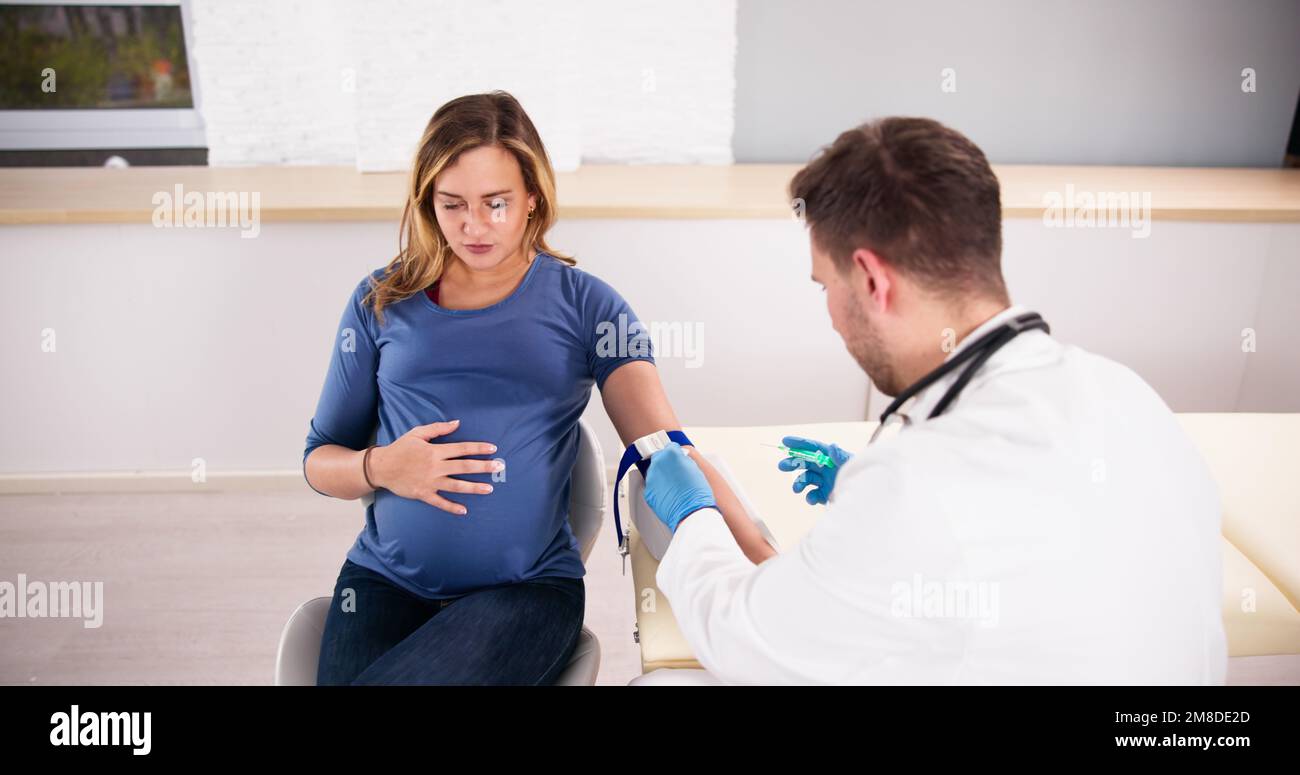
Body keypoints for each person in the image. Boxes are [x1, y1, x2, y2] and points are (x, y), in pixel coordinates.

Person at [638, 116, 1227, 685]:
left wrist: (694, 521)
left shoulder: (917, 487)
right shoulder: (1125, 391)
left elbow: (745, 641)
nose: (833, 316)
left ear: (872, 280)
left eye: (826, 286)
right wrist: (861, 495)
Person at [302, 91, 771, 685]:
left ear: (532, 198)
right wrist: (381, 467)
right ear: (427, 203)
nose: (473, 226)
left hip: (524, 596)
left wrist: (769, 560)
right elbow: (320, 459)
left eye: (495, 203)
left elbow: (666, 452)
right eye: (452, 205)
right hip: (382, 585)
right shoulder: (380, 301)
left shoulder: (589, 307)